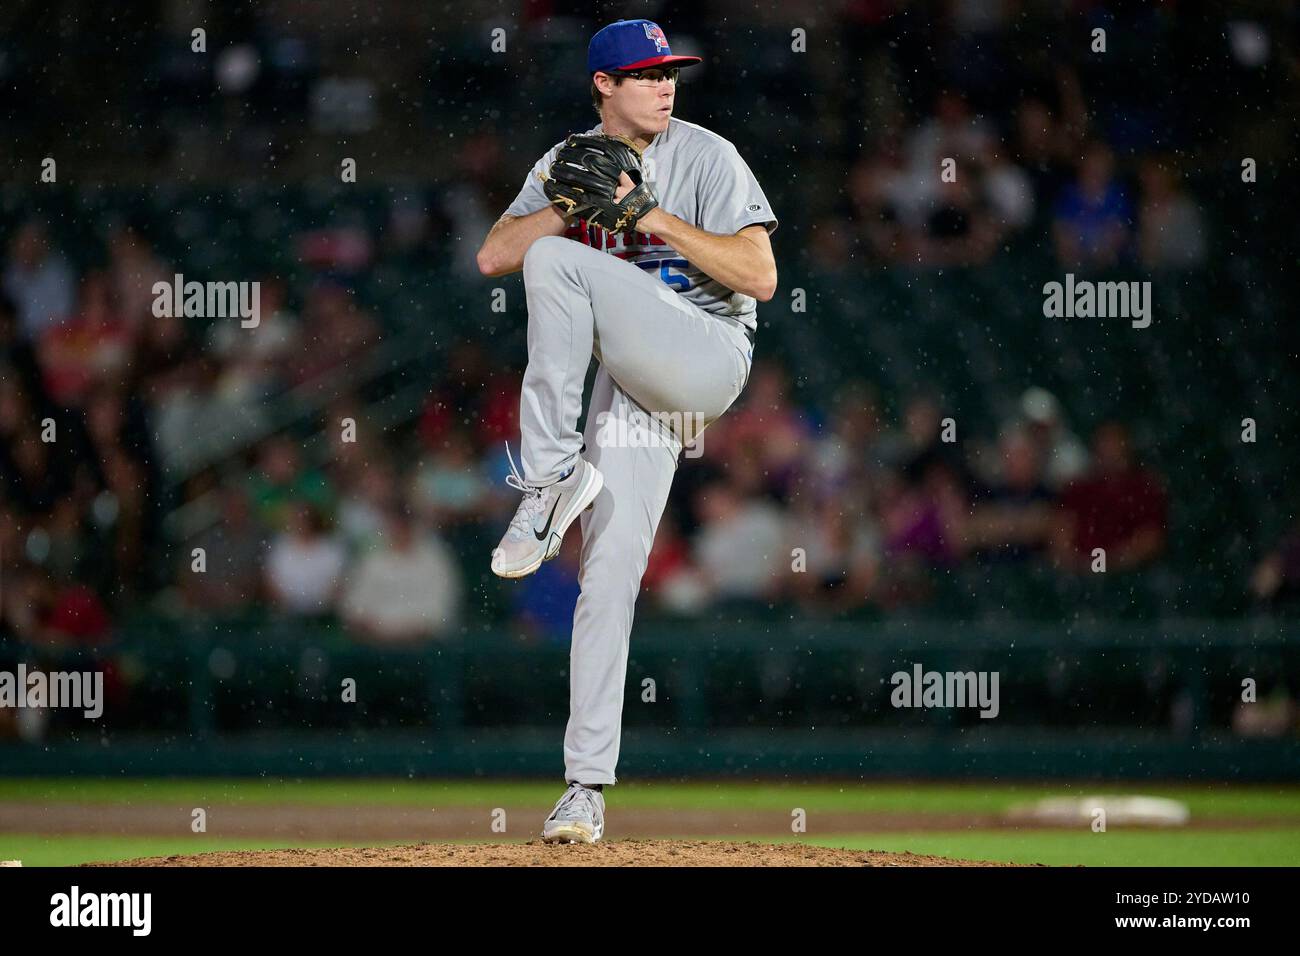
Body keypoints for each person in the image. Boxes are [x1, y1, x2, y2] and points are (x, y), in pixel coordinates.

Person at [475, 18, 777, 843]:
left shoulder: (707, 155)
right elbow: (492, 255)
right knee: (606, 571)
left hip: (706, 356)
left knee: (560, 264)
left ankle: (546, 475)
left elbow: (761, 275)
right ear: (602, 85)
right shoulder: (566, 157)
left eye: (669, 70)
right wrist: (563, 209)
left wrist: (650, 217)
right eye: (644, 73)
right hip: (634, 378)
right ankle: (585, 789)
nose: (664, 84)